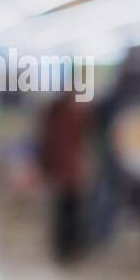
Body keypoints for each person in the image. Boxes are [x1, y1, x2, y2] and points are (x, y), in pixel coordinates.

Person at [38, 90, 90, 263]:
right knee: (65, 211)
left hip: (69, 172)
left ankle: (68, 249)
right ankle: (65, 249)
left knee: (69, 211)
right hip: (65, 171)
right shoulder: (61, 114)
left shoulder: (69, 114)